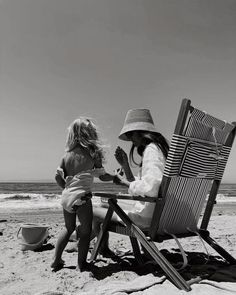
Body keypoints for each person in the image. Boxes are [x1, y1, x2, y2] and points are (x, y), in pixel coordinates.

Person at [92, 108, 169, 254]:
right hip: (163, 214)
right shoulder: (162, 150)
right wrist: (126, 167)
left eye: (130, 134)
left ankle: (102, 249)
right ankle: (83, 241)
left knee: (94, 212)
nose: (130, 139)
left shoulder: (151, 150)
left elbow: (151, 188)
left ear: (140, 132)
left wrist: (123, 183)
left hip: (148, 219)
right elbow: (146, 188)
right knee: (103, 203)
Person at [51, 117, 115, 271]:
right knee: (86, 231)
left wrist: (67, 189)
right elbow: (102, 176)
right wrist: (115, 177)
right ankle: (81, 264)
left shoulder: (66, 155)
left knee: (68, 228)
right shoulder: (93, 153)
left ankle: (56, 259)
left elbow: (57, 177)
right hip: (82, 196)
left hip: (67, 196)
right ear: (90, 134)